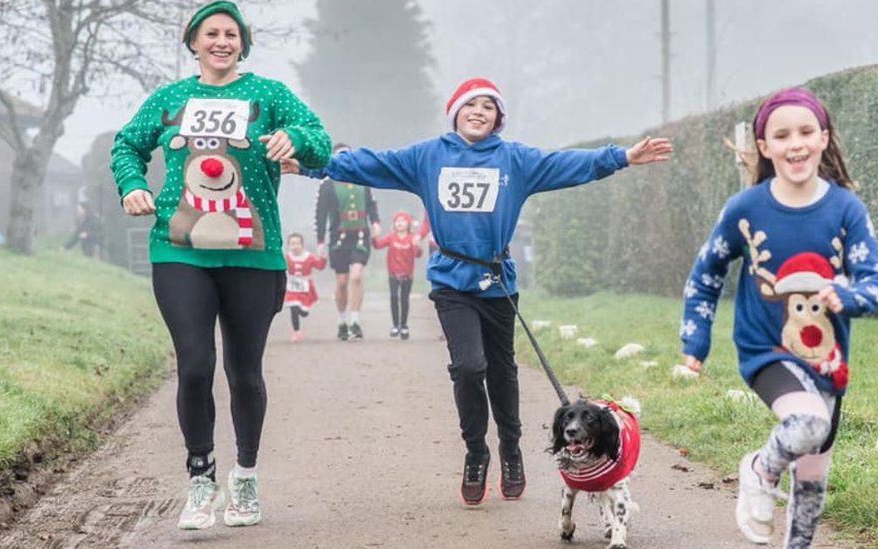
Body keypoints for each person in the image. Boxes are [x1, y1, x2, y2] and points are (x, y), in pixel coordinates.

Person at [282, 77, 672, 506]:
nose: (480, 112)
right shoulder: (428, 156)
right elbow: (368, 164)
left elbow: (566, 165)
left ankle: (510, 447)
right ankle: (475, 451)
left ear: (498, 118)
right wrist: (312, 165)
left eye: (489, 107)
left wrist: (621, 157)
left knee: (503, 371)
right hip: (451, 280)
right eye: (472, 104)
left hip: (498, 282)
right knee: (469, 367)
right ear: (456, 112)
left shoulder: (515, 160)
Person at [110, 0, 331, 530]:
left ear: (242, 44)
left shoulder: (269, 95)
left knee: (244, 372)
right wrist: (133, 185)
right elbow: (127, 146)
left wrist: (293, 139)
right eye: (211, 33)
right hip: (179, 248)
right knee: (193, 366)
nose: (222, 41)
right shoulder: (170, 98)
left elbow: (320, 145)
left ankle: (246, 478)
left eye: (232, 34)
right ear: (193, 43)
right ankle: (200, 480)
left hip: (253, 255)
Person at [679, 88, 878, 547]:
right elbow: (705, 274)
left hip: (828, 360)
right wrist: (695, 345)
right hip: (766, 351)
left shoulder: (847, 209)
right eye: (782, 134)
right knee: (808, 425)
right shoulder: (745, 210)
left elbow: (875, 282)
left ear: (823, 138)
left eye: (806, 132)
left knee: (813, 477)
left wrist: (846, 296)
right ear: (765, 147)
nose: (796, 143)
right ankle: (758, 470)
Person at [311, 143, 381, 341]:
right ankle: (342, 320)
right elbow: (320, 215)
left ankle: (355, 321)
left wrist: (375, 223)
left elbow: (372, 205)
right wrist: (320, 242)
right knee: (342, 281)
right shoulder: (326, 185)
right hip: (338, 238)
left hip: (360, 235)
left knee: (357, 276)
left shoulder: (364, 180)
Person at [371, 211, 422, 340]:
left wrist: (416, 245)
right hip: (393, 274)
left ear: (408, 224)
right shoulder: (391, 237)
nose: (399, 223)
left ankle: (404, 325)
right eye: (397, 221)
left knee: (404, 299)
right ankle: (395, 325)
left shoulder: (411, 238)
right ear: (394, 224)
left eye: (403, 221)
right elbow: (378, 245)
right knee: (394, 297)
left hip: (407, 275)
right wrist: (374, 237)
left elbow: (418, 254)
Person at [283, 232, 327, 343]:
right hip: (292, 287)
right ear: (289, 245)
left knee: (304, 312)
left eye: (297, 244)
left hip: (305, 288)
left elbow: (320, 266)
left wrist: (323, 258)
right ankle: (296, 332)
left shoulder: (309, 257)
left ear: (302, 245)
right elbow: (281, 268)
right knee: (293, 306)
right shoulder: (287, 258)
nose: (295, 246)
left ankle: (302, 311)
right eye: (292, 244)